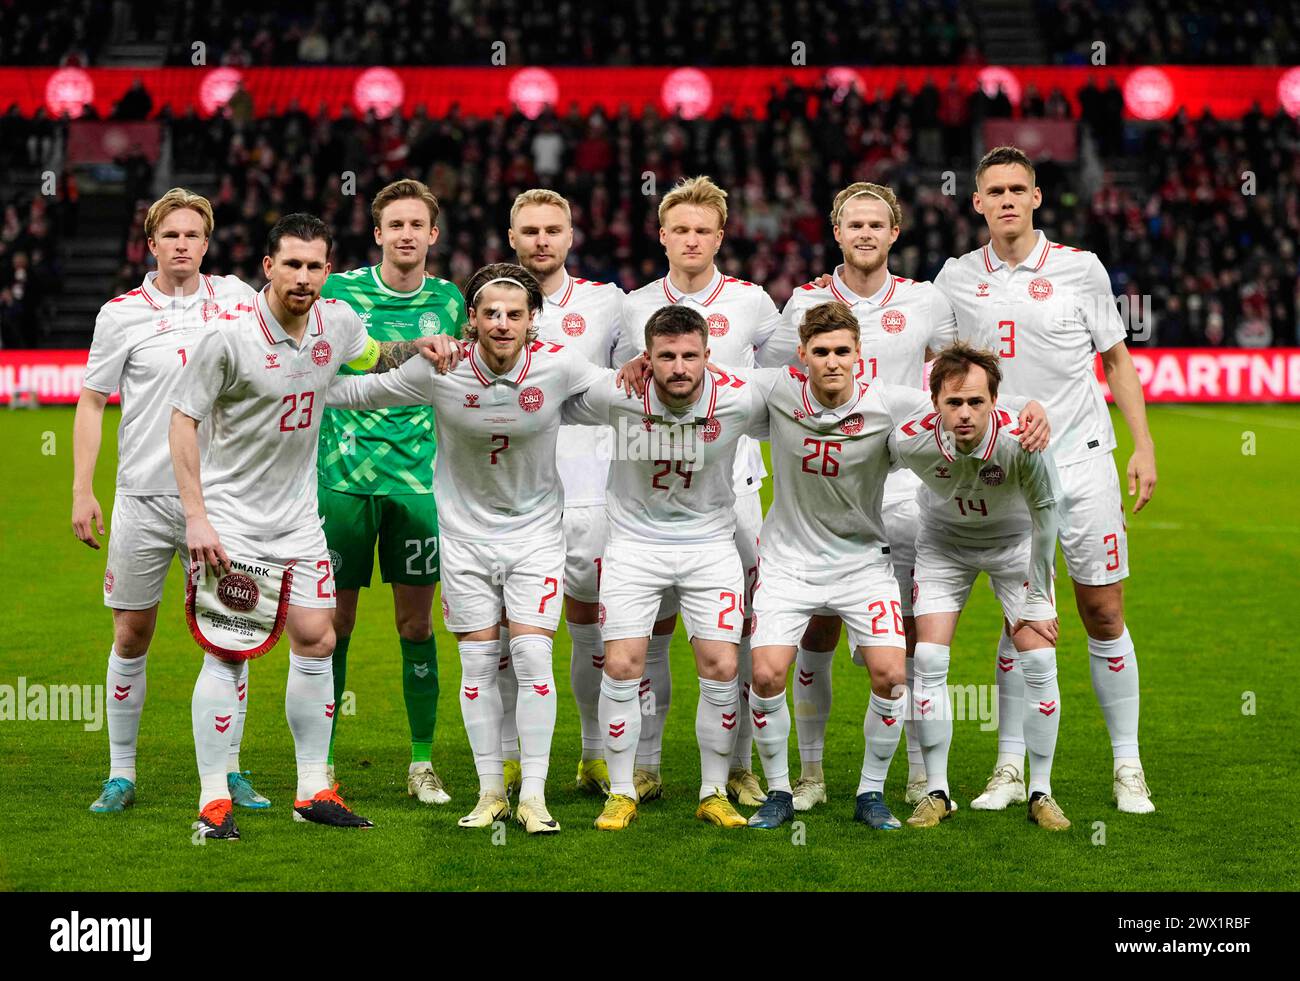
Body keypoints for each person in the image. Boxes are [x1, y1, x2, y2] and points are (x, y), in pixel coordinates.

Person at [738, 303, 1049, 831]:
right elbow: (705, 378)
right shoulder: (774, 392)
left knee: (891, 673)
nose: (832, 361)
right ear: (802, 356)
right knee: (766, 674)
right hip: (789, 562)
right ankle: (779, 792)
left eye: (842, 351)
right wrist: (639, 367)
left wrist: (1030, 405)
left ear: (860, 355)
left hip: (863, 562)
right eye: (821, 352)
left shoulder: (888, 403)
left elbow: (961, 402)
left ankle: (870, 792)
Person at [325, 263, 610, 836]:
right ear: (471, 320)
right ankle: (488, 793)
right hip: (463, 541)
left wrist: (643, 375)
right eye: (490, 314)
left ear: (533, 321)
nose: (502, 324)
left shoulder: (558, 364)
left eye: (514, 314)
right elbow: (359, 392)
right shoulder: (440, 370)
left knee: (531, 658)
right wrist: (294, 378)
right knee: (479, 663)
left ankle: (532, 795)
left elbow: (614, 393)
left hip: (534, 538)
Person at [169, 213, 427, 839]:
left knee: (317, 638)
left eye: (315, 266)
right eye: (292, 264)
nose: (304, 277)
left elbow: (372, 358)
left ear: (327, 271)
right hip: (232, 524)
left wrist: (421, 347)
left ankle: (312, 788)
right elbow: (182, 421)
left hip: (298, 522)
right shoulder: (227, 339)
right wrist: (197, 518)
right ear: (268, 267)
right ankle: (212, 802)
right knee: (230, 653)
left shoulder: (336, 323)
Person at [935, 145, 1158, 814]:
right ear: (976, 202)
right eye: (993, 190)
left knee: (1102, 609)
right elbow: (942, 373)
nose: (1006, 199)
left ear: (1036, 198)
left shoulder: (1079, 268)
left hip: (1082, 460)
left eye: (1017, 189)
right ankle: (1009, 766)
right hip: (1002, 470)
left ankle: (1128, 764)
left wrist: (1143, 443)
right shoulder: (954, 277)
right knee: (1017, 617)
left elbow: (1116, 362)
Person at [73, 188, 264, 815]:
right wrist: (82, 488)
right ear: (150, 243)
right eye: (170, 236)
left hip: (224, 499)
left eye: (193, 236)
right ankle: (120, 773)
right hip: (143, 498)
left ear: (206, 244)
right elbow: (93, 401)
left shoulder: (236, 299)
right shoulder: (119, 314)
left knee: (230, 636)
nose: (182, 245)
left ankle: (230, 769)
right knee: (132, 632)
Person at [619, 175, 797, 808]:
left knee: (740, 632)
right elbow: (616, 382)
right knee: (654, 632)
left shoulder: (751, 304)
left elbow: (779, 379)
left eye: (703, 230)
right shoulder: (632, 305)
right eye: (680, 230)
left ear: (720, 236)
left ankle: (741, 764)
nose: (691, 240)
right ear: (662, 235)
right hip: (652, 494)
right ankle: (644, 763)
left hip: (736, 488)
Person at [783, 181, 959, 813]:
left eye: (875, 224)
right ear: (837, 232)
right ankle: (809, 773)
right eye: (852, 224)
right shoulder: (805, 301)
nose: (864, 233)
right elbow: (778, 380)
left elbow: (953, 379)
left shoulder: (925, 301)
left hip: (907, 491)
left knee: (905, 642)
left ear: (894, 233)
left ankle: (915, 775)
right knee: (816, 629)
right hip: (826, 490)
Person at [565, 305, 771, 831]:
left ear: (708, 355)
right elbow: (553, 393)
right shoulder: (618, 392)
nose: (679, 367)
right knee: (622, 666)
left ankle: (712, 791)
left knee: (722, 667)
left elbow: (805, 392)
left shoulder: (740, 396)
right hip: (634, 544)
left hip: (709, 546)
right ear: (647, 357)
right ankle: (619, 790)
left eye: (689, 356)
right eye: (666, 356)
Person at [317, 179, 465, 807]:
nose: (406, 234)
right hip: (343, 482)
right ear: (377, 234)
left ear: (433, 235)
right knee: (333, 626)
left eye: (417, 225)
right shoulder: (338, 293)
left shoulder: (453, 301)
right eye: (394, 225)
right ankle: (319, 764)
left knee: (415, 625)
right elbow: (329, 365)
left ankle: (422, 761)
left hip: (417, 484)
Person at [891, 341, 1068, 831]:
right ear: (935, 405)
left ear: (995, 402)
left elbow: (1048, 514)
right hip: (944, 543)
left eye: (976, 402)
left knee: (1039, 658)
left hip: (1015, 546)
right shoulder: (911, 439)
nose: (965, 413)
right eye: (953, 403)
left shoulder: (1021, 440)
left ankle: (1041, 792)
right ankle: (937, 791)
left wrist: (1037, 597)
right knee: (927, 659)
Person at [497, 188, 627, 798]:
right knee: (505, 635)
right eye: (529, 231)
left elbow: (632, 388)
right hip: (508, 497)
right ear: (512, 237)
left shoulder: (607, 305)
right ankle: (507, 756)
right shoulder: (488, 305)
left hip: (589, 493)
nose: (541, 240)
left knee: (589, 630)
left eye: (553, 229)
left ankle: (594, 754)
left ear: (571, 237)